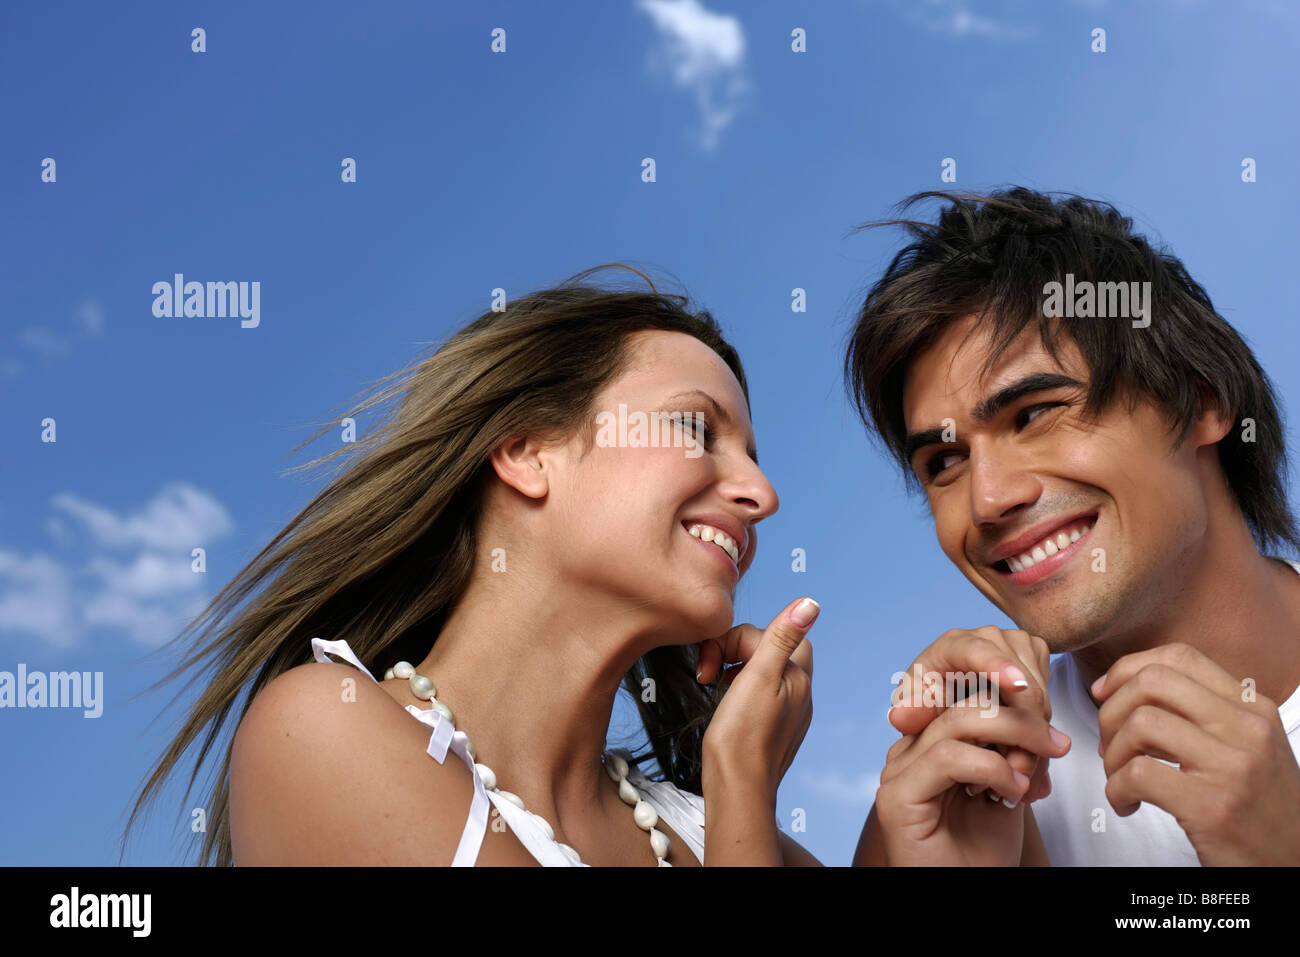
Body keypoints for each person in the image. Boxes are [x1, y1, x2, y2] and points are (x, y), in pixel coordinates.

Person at [121, 264, 822, 866]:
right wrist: (740, 794)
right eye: (696, 428)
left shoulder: (714, 826)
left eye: (754, 461)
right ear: (525, 452)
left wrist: (911, 812)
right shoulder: (323, 732)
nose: (762, 496)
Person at [844, 188, 1300, 865]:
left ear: (1203, 397)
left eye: (1031, 415)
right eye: (944, 460)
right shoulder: (955, 795)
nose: (988, 498)